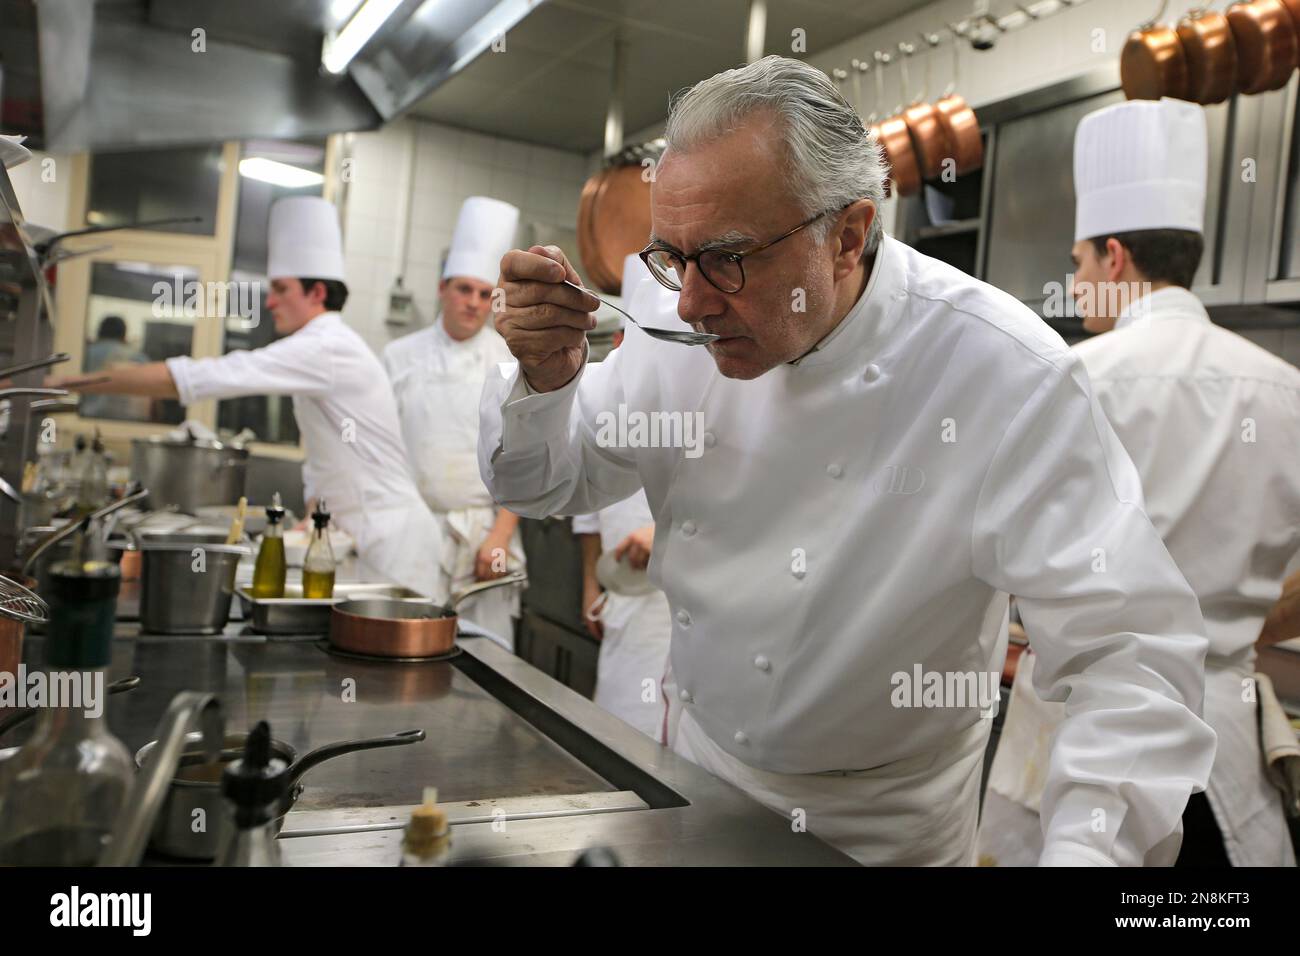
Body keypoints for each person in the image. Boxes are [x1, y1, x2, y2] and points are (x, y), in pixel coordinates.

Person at [476, 56, 1218, 866]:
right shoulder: (684, 337)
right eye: (672, 258)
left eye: (726, 257)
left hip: (875, 831)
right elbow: (540, 481)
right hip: (691, 777)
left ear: (849, 235)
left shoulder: (1000, 372)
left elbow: (1130, 657)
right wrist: (545, 384)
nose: (689, 301)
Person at [978, 98, 1300, 867]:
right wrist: (1233, 635)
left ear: (1114, 258)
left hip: (1078, 742)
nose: (1077, 278)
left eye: (1079, 261)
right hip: (1225, 744)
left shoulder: (1073, 378)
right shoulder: (1285, 389)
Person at [49, 197, 448, 599]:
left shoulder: (326, 347)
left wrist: (74, 383)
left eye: (280, 289)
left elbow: (207, 376)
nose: (270, 300)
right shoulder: (323, 346)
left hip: (393, 546)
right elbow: (335, 451)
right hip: (361, 537)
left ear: (317, 292)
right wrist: (314, 510)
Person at [383, 197, 524, 648]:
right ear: (442, 288)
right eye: (465, 289)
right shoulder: (398, 357)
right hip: (411, 531)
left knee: (486, 656)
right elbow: (379, 448)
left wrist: (500, 536)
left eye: (486, 294)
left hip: (484, 537)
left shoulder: (508, 361)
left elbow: (524, 459)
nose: (474, 303)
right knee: (407, 647)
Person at [571, 256, 674, 739]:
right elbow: (589, 509)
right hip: (621, 597)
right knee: (612, 726)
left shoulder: (698, 408)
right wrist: (593, 585)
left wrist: (668, 535)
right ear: (618, 344)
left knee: (661, 729)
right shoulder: (611, 404)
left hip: (671, 606)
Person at [79, 315, 151, 421]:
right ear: (124, 335)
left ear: (99, 332)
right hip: (124, 423)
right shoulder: (139, 359)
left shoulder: (84, 353)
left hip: (83, 417)